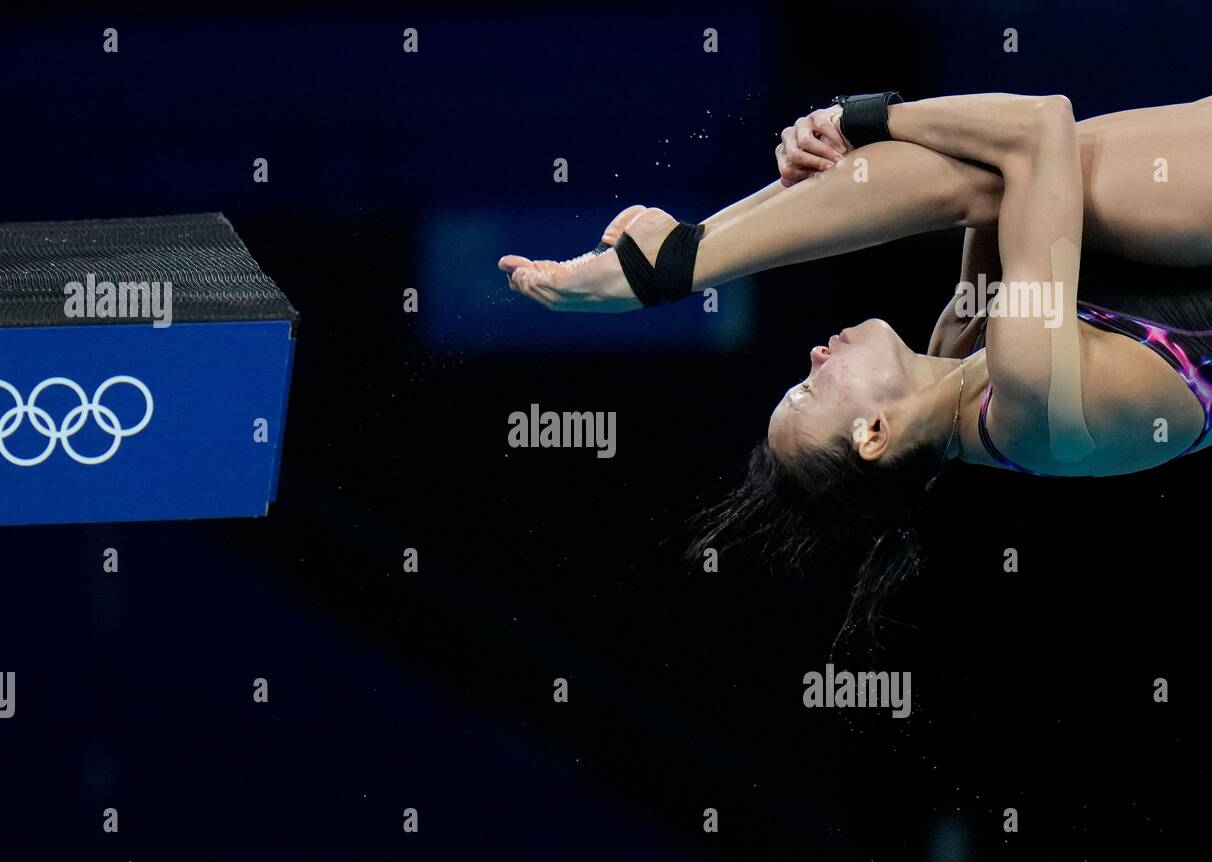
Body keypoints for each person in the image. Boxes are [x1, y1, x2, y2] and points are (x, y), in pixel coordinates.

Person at [499, 93, 1212, 640]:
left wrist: (833, 145)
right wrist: (861, 117)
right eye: (809, 388)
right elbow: (1036, 128)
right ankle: (677, 265)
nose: (812, 355)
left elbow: (976, 168)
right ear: (874, 433)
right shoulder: (1031, 394)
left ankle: (683, 254)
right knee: (1042, 170)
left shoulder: (962, 342)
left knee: (979, 181)